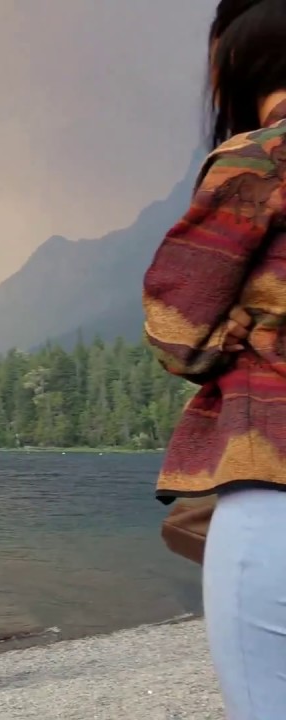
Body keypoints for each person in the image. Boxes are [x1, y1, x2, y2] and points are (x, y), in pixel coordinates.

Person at [142, 2, 286, 717]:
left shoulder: (259, 157)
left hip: (274, 488)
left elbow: (178, 327)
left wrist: (240, 325)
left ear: (234, 56)